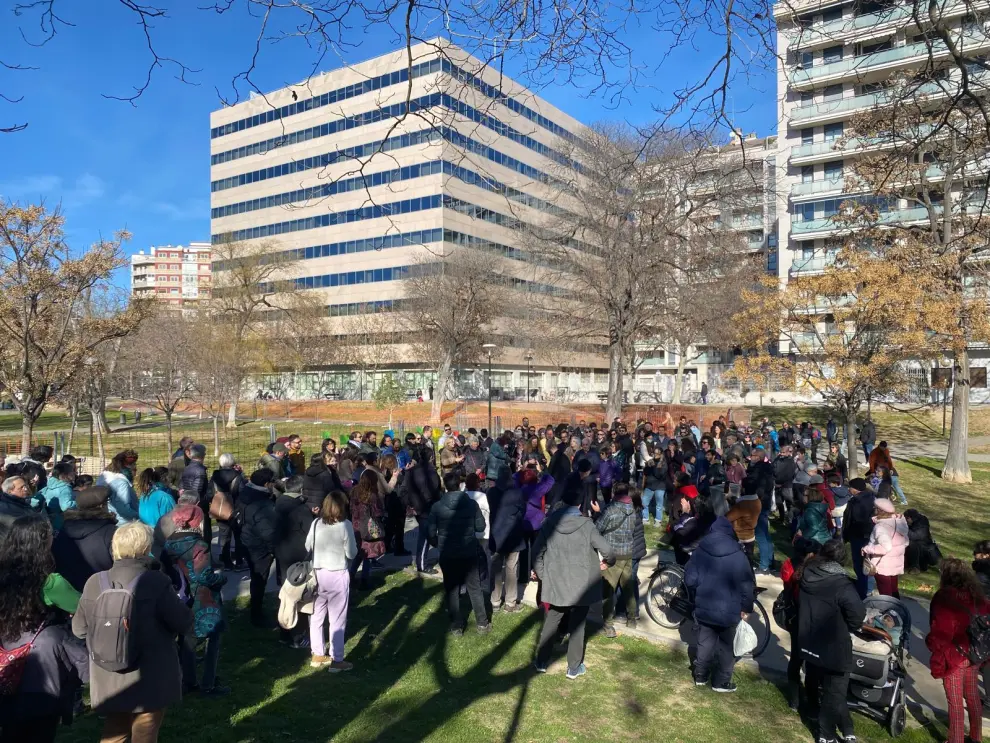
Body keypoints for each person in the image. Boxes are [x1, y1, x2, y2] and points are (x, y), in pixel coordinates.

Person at [73, 522, 194, 743]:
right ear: (145, 547)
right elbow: (183, 621)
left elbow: (79, 629)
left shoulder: (94, 582)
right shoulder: (155, 581)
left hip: (108, 673)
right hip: (150, 673)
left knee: (114, 732)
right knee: (145, 733)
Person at [0, 516, 88, 743]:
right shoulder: (50, 582)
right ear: (41, 542)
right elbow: (84, 608)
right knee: (40, 733)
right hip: (40, 673)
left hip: (5, 667)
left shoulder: (3, 578)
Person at [533, 487, 615, 678]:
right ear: (579, 504)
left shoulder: (549, 523)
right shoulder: (587, 526)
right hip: (582, 584)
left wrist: (544, 575)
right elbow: (608, 550)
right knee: (578, 624)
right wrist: (607, 562)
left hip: (558, 581)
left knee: (552, 620)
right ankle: (573, 667)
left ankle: (541, 661)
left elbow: (537, 553)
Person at [797, 538, 866, 743]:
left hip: (809, 639)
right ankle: (825, 734)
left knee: (818, 679)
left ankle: (844, 726)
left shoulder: (807, 573)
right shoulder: (841, 584)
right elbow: (857, 615)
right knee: (834, 691)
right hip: (833, 645)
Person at [163, 504, 229, 696]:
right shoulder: (199, 545)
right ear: (196, 521)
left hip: (181, 598)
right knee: (213, 637)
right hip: (203, 597)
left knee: (187, 640)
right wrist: (221, 578)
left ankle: (188, 681)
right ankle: (208, 684)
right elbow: (203, 576)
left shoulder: (169, 544)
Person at [684, 515, 755, 693]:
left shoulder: (700, 550)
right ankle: (721, 682)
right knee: (727, 647)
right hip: (730, 610)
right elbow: (747, 585)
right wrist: (747, 607)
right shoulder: (739, 555)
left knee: (704, 642)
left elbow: (690, 580)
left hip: (705, 606)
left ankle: (700, 675)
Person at [927, 558, 990, 743]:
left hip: (954, 654)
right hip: (975, 653)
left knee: (955, 701)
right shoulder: (978, 597)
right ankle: (975, 737)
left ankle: (955, 739)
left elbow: (941, 631)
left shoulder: (944, 597)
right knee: (972, 697)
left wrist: (932, 646)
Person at [427, 471, 490, 636]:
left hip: (448, 553)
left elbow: (431, 532)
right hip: (468, 551)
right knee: (474, 588)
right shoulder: (470, 504)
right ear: (460, 485)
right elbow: (481, 527)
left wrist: (438, 544)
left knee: (452, 589)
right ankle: (482, 623)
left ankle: (456, 625)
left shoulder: (437, 506)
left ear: (445, 487)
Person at [306, 490, 357, 671]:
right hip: (337, 574)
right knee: (337, 619)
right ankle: (337, 659)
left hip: (318, 573)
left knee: (317, 616)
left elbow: (307, 546)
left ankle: (318, 654)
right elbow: (352, 552)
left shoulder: (316, 523)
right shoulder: (345, 525)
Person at [273, 475, 316, 649]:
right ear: (301, 490)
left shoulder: (279, 504)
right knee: (300, 596)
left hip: (283, 555)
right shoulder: (300, 509)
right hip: (299, 558)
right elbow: (310, 534)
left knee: (286, 593)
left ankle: (284, 631)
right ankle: (298, 635)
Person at [52, 486, 117, 593]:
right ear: (102, 505)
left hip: (70, 592)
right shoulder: (111, 532)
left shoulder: (63, 529)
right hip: (102, 591)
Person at [594, 482, 638, 635]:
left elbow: (598, 528)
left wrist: (598, 514)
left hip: (611, 555)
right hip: (627, 553)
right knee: (628, 588)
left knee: (608, 590)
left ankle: (608, 624)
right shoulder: (632, 510)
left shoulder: (610, 510)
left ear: (614, 493)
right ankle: (632, 619)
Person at [780, 536, 818, 711]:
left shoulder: (788, 565)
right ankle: (811, 699)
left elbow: (787, 589)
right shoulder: (818, 568)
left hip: (796, 615)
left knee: (796, 657)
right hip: (815, 617)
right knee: (812, 660)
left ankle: (794, 698)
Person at [238, 469, 278, 627]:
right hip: (259, 547)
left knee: (256, 579)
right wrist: (274, 549)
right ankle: (256, 614)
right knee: (259, 579)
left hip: (247, 539)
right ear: (266, 484)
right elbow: (267, 531)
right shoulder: (262, 503)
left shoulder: (245, 492)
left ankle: (256, 609)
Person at [489, 470, 526, 612]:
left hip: (497, 536)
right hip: (512, 536)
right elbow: (522, 512)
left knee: (497, 570)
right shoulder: (517, 493)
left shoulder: (491, 493)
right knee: (511, 570)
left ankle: (495, 601)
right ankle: (510, 603)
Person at [398, 455, 442, 575]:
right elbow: (436, 491)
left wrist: (410, 504)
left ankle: (433, 555)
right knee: (425, 536)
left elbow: (403, 490)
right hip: (426, 508)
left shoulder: (411, 472)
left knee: (428, 534)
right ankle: (422, 564)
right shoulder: (431, 473)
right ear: (431, 458)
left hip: (418, 507)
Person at [862, 497, 908, 598]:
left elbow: (885, 547)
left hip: (882, 565)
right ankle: (898, 611)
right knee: (893, 591)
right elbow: (906, 542)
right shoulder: (900, 522)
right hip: (895, 564)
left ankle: (889, 612)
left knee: (885, 595)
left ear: (879, 510)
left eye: (875, 508)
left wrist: (867, 549)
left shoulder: (881, 527)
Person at [349, 470, 386, 590]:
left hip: (356, 526)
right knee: (368, 556)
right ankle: (365, 580)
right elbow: (377, 512)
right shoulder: (372, 496)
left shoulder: (354, 491)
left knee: (359, 553)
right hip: (368, 528)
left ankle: (350, 577)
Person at [210, 453, 247, 572]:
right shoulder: (237, 476)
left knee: (224, 536)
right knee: (238, 536)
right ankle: (239, 561)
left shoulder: (214, 476)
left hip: (220, 510)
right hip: (236, 509)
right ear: (233, 463)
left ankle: (226, 563)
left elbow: (210, 493)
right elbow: (242, 492)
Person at [841, 477, 876, 599]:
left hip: (859, 536)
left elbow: (852, 520)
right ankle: (867, 590)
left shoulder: (857, 502)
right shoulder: (871, 498)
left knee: (860, 565)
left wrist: (846, 534)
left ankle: (863, 592)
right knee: (867, 564)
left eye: (850, 487)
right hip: (868, 536)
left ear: (855, 489)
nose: (849, 489)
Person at [97, 452, 140, 525]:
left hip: (111, 519)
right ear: (127, 466)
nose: (135, 468)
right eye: (134, 465)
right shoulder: (121, 483)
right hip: (123, 523)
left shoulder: (106, 476)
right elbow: (123, 510)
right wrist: (140, 515)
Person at [726, 486, 761, 563]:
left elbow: (727, 517)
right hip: (750, 536)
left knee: (737, 561)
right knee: (749, 560)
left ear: (744, 489)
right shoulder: (757, 501)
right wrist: (731, 497)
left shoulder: (742, 504)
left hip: (740, 537)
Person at [38, 461, 76, 530]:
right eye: (72, 471)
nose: (74, 473)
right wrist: (78, 502)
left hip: (48, 517)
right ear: (63, 476)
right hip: (59, 520)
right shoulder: (64, 488)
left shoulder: (50, 485)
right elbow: (65, 506)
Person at [904, 508, 939, 573]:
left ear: (909, 518)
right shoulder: (917, 521)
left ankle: (915, 567)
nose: (906, 521)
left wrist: (904, 528)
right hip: (921, 545)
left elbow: (915, 536)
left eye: (906, 519)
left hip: (924, 547)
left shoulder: (922, 525)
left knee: (912, 544)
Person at [0, 475, 36, 540]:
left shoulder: (21, 501)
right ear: (10, 491)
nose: (25, 489)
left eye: (25, 485)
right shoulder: (7, 509)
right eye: (21, 487)